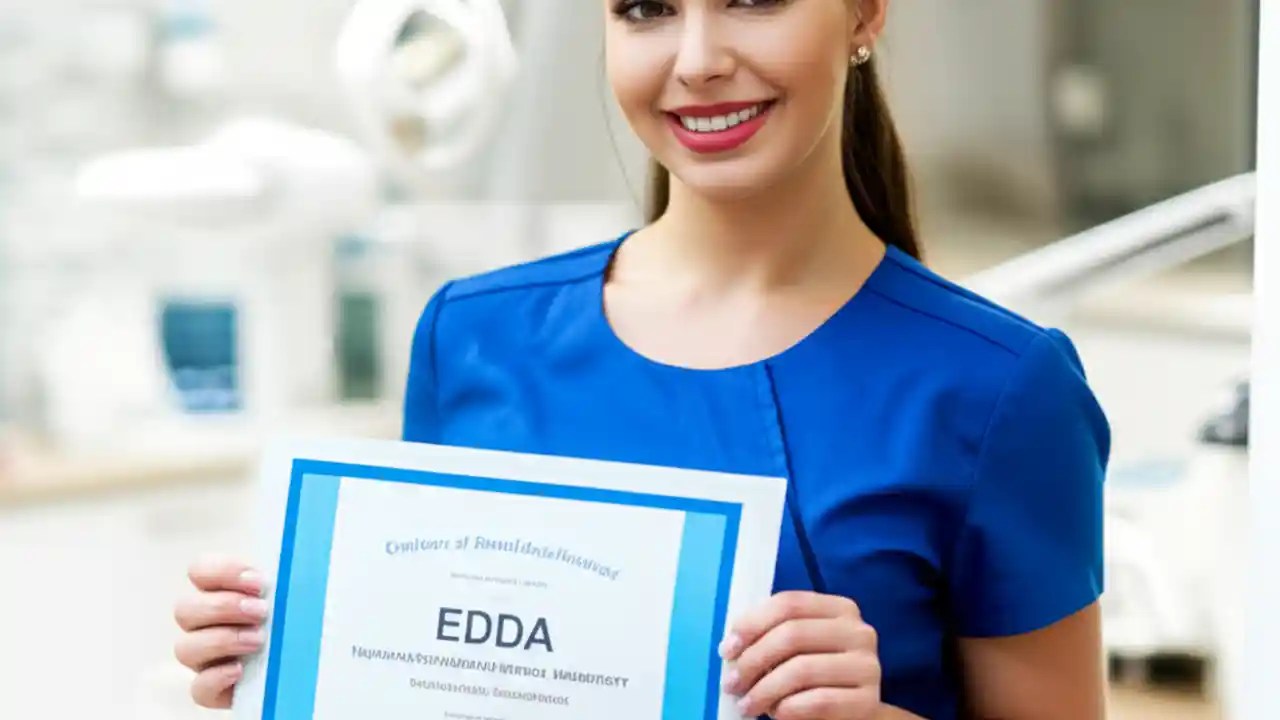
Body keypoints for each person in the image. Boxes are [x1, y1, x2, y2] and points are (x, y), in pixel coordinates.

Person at [172, 1, 1110, 718]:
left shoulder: (999, 388)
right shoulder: (473, 335)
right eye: (646, 10)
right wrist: (281, 657)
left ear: (863, 13)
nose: (698, 62)